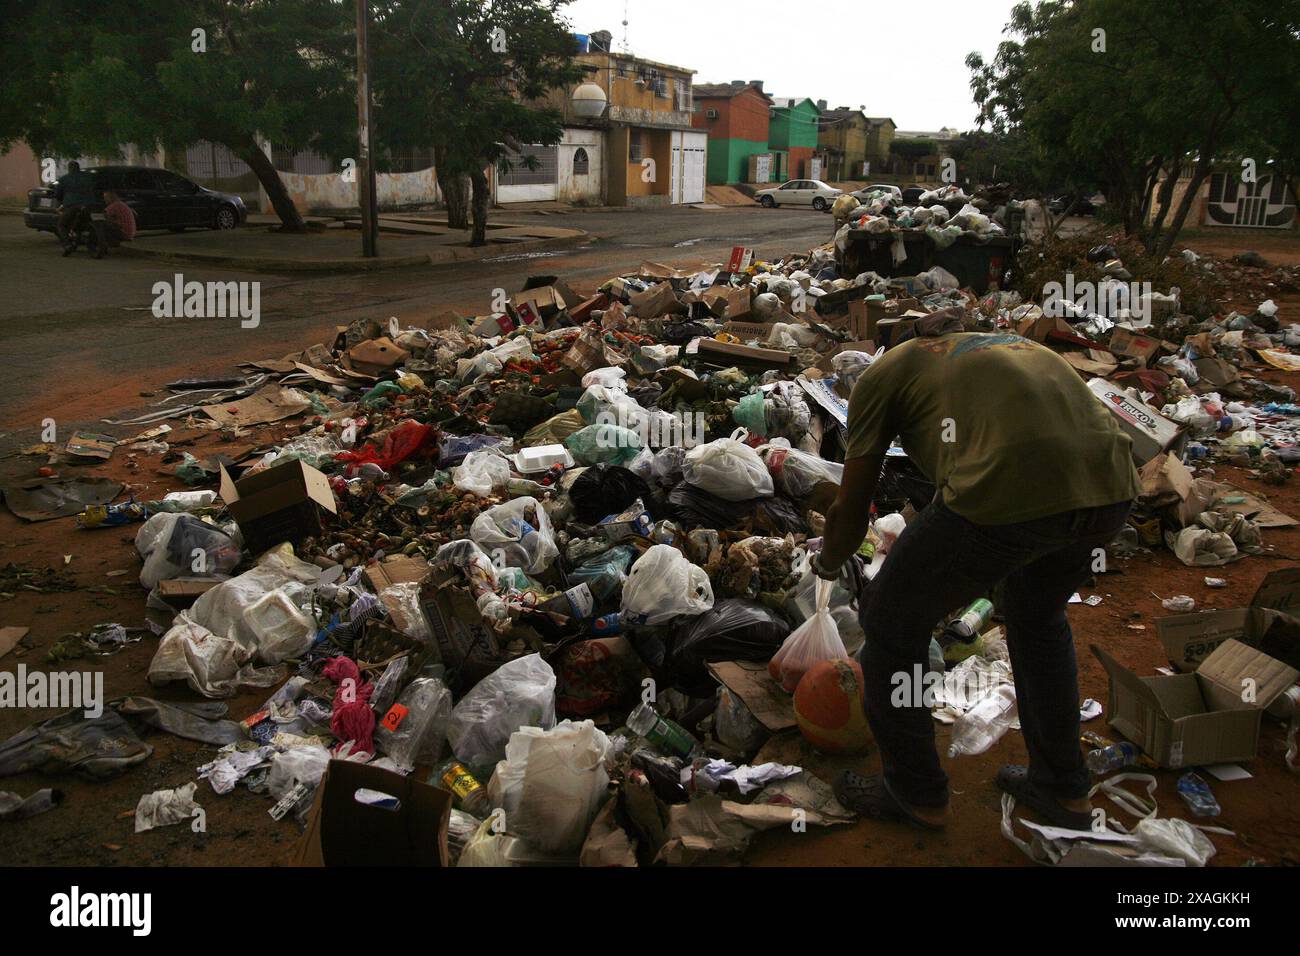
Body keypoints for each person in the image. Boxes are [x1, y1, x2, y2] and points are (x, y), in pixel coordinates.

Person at [813, 310, 1140, 831]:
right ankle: (1063, 789)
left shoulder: (879, 376)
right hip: (1111, 488)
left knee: (891, 622)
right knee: (1038, 617)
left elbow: (852, 509)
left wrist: (827, 564)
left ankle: (916, 793)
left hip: (1007, 487)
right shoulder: (1009, 346)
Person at [54, 161, 100, 252]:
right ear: (79, 168)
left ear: (69, 169)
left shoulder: (64, 179)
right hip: (91, 205)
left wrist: (60, 202)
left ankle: (67, 244)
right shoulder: (89, 177)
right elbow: (97, 188)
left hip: (72, 206)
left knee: (61, 225)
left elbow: (58, 195)